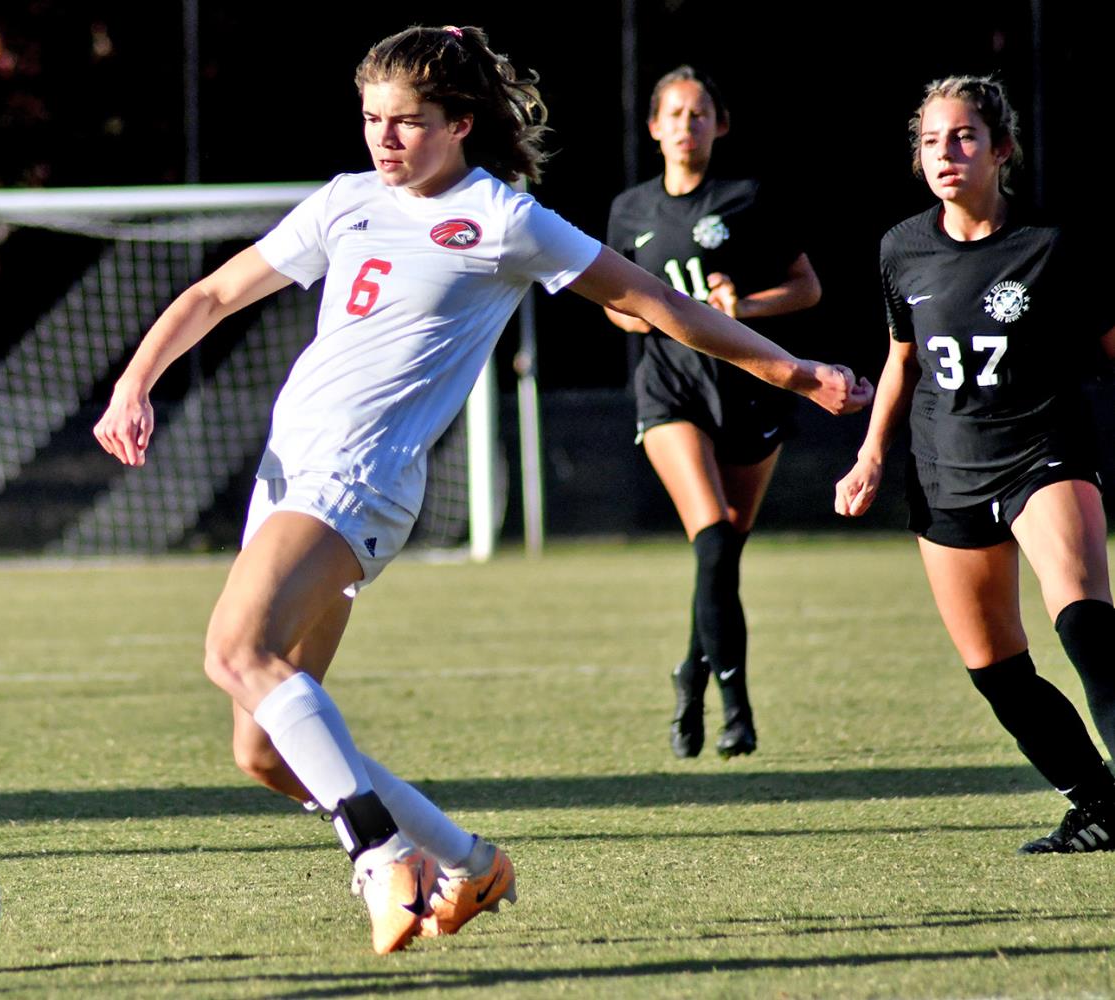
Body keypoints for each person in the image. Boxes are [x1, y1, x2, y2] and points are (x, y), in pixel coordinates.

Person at [95, 25, 871, 956]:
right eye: (373, 119)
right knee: (263, 746)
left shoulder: (504, 219)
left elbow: (658, 305)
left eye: (408, 123)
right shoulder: (345, 202)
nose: (385, 140)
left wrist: (793, 372)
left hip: (361, 478)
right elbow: (215, 295)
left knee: (233, 649)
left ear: (460, 123)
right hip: (286, 475)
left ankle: (380, 856)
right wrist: (134, 380)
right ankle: (467, 859)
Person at [835, 75, 1115, 854]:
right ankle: (1097, 802)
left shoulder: (1050, 242)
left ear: (1002, 149)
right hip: (944, 472)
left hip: (1041, 456)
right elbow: (902, 360)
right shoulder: (902, 247)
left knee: (1088, 628)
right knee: (996, 669)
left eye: (963, 137)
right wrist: (869, 457)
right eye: (930, 140)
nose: (945, 153)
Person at [605, 66, 824, 759]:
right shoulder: (631, 209)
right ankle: (736, 708)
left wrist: (744, 307)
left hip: (745, 384)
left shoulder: (747, 198)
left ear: (720, 125)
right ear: (653, 127)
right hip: (669, 388)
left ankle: (690, 670)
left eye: (699, 114)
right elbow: (611, 298)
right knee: (713, 536)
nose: (686, 126)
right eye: (673, 113)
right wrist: (633, 319)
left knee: (724, 551)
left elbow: (807, 288)